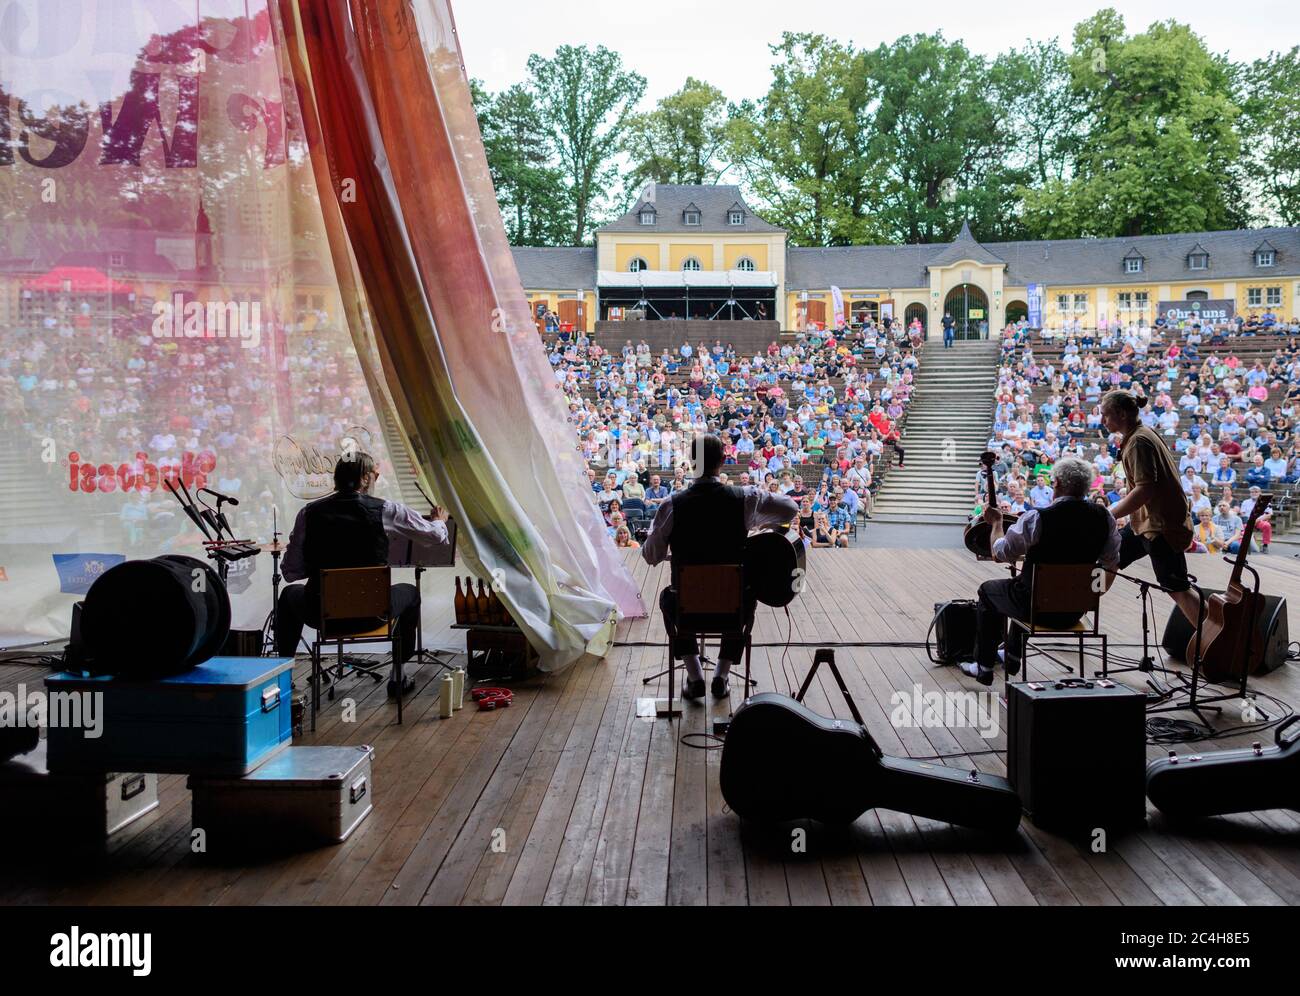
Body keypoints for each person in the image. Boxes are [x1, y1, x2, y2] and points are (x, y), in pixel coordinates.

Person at [276, 452, 450, 695]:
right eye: (374, 474)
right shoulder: (386, 510)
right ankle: (398, 677)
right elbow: (436, 536)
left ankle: (280, 679)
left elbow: (291, 573)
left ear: (336, 479)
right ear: (365, 478)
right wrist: (439, 521)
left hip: (322, 614)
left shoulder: (308, 513)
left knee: (287, 595)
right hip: (372, 614)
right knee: (411, 594)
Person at [641, 434, 798, 700]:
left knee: (668, 598)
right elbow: (791, 509)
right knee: (747, 600)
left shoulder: (671, 505)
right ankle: (721, 675)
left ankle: (694, 675)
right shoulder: (746, 498)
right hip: (731, 607)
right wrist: (761, 527)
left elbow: (650, 555)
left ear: (691, 462)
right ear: (723, 462)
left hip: (687, 608)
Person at [961, 457, 1121, 686]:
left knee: (990, 591)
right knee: (1022, 587)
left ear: (1056, 483)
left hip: (1035, 608)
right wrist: (1094, 594)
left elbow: (999, 554)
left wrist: (996, 524)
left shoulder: (1037, 518)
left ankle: (983, 666)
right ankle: (1011, 655)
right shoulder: (1105, 518)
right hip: (1075, 610)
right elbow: (1111, 562)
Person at [1100, 391, 1199, 626]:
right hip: (1144, 525)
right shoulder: (1143, 434)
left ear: (1121, 414)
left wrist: (1108, 514)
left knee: (1177, 588)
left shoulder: (1138, 442)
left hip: (1160, 528)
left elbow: (1145, 490)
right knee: (1108, 559)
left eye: (1106, 415)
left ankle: (1218, 641)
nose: (1103, 421)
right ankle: (1080, 606)